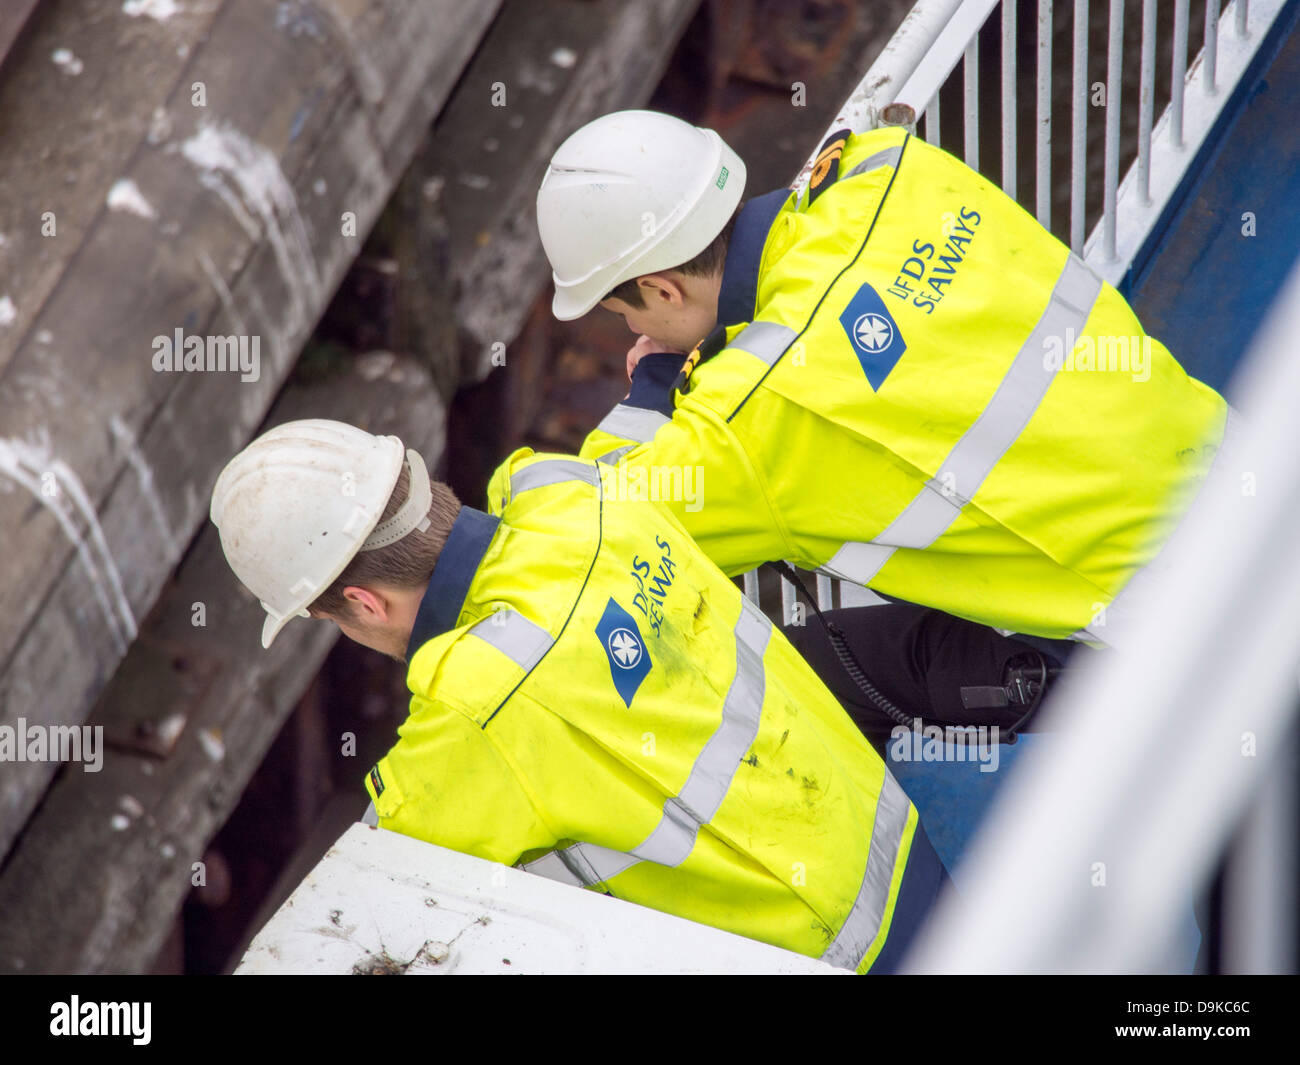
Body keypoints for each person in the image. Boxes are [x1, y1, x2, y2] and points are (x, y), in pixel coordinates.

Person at [209, 418, 950, 973]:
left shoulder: (477, 703)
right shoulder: (572, 491)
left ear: (365, 604)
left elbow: (373, 881)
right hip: (908, 856)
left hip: (837, 954)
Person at [535, 110, 1233, 647]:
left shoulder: (756, 414)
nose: (632, 332)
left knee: (822, 662)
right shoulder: (886, 164)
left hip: (1162, 612)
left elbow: (601, 517)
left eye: (623, 312)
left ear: (661, 291)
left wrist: (660, 379)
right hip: (1230, 456)